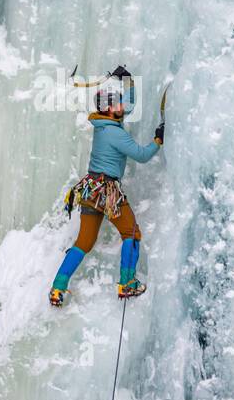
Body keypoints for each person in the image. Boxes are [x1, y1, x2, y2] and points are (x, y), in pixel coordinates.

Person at [49, 66, 164, 306]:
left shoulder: (104, 126)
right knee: (131, 232)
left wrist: (128, 81)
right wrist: (157, 141)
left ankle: (58, 288)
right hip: (107, 191)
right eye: (119, 103)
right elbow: (142, 155)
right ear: (111, 109)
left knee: (83, 242)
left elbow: (129, 105)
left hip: (90, 190)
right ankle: (128, 283)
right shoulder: (116, 133)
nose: (123, 105)